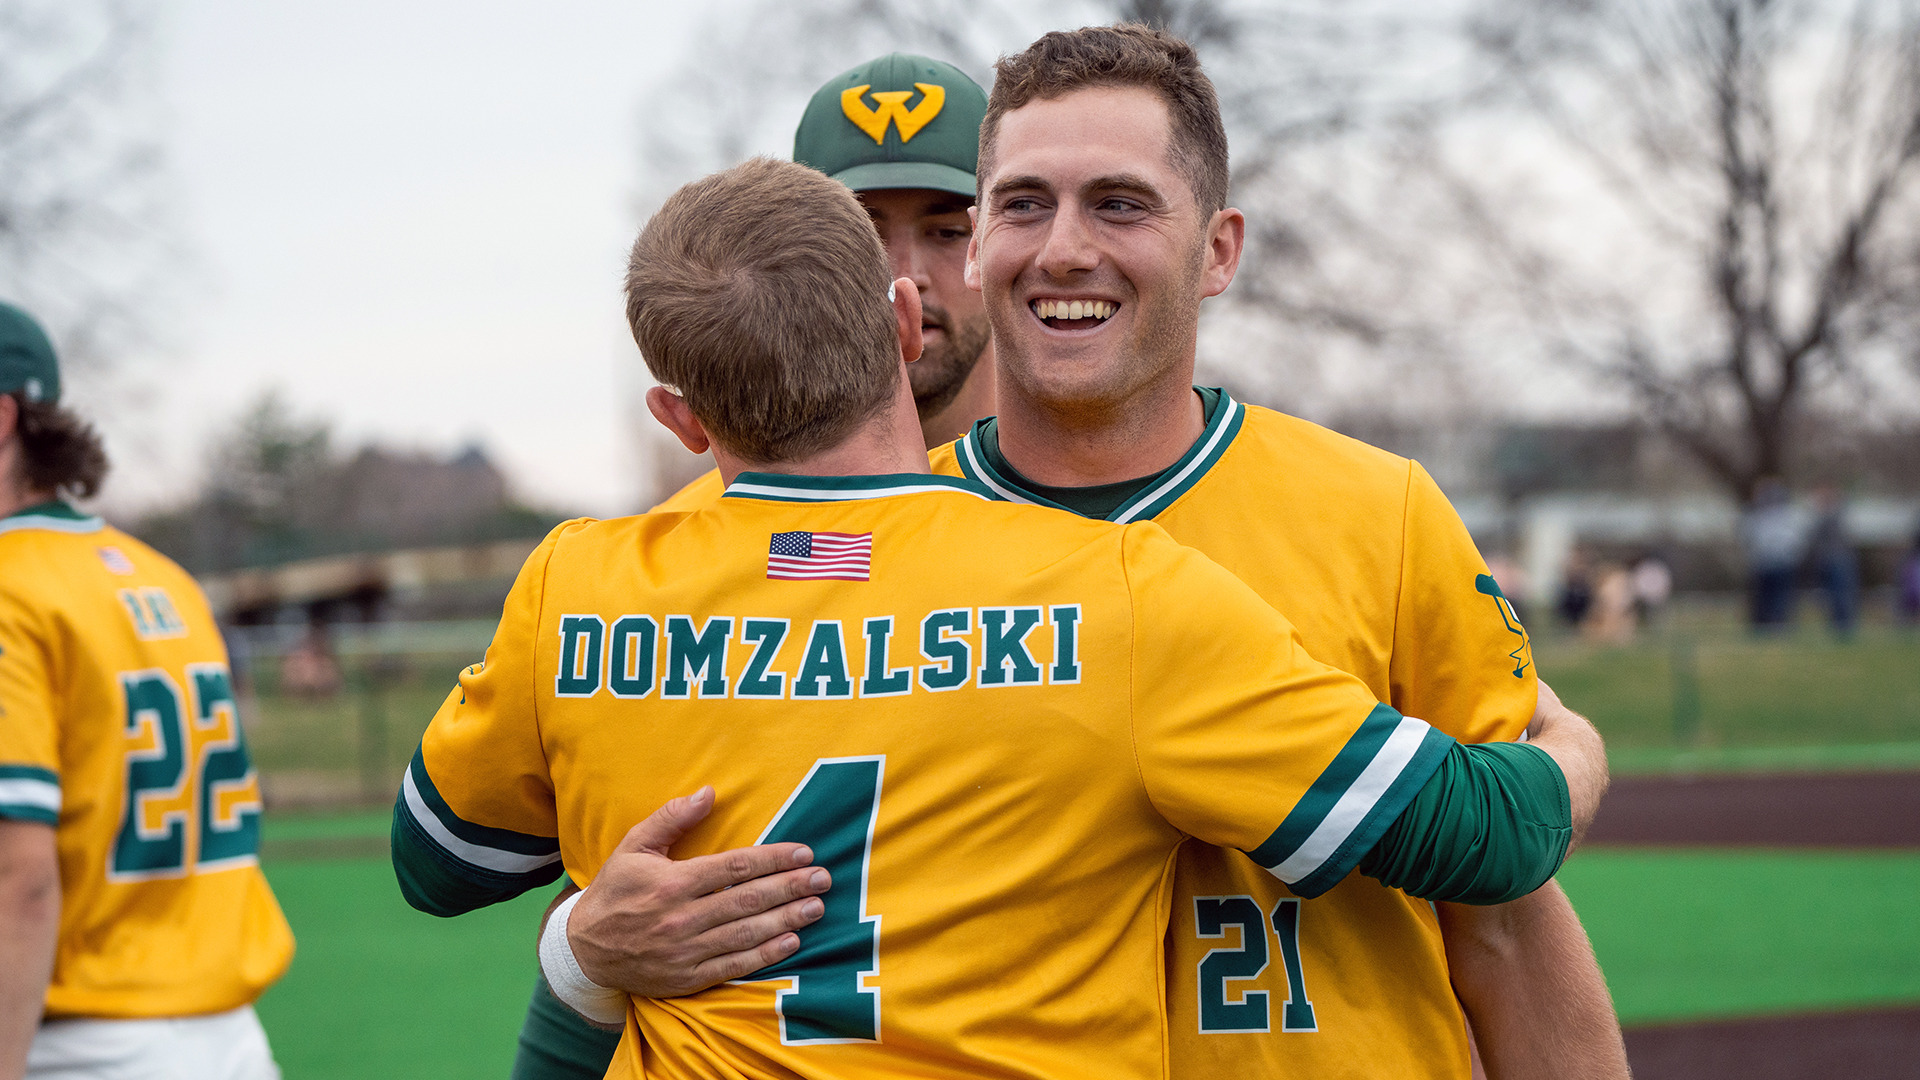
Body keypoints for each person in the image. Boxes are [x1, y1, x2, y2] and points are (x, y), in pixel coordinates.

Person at [392, 157, 1603, 1080]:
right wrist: (1569, 747)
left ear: (680, 417)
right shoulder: (1112, 586)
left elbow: (438, 861)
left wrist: (581, 947)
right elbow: (1490, 841)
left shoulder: (577, 589)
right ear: (905, 325)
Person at [507, 53, 1007, 1079]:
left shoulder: (1113, 537)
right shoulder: (663, 558)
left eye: (947, 229)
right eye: (864, 230)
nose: (907, 272)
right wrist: (580, 946)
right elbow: (593, 895)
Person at [0, 301, 293, 1079]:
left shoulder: (9, 589)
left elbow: (17, 877)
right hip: (231, 1041)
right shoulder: (164, 578)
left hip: (74, 1045)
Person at [1743, 477, 1802, 630]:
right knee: (1764, 597)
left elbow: (1794, 539)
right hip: (1764, 563)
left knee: (1780, 596)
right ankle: (1764, 626)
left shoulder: (1786, 515)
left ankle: (1778, 624)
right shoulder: (1757, 515)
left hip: (1781, 562)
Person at [1807, 484, 1860, 637]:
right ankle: (1837, 626)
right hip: (1826, 562)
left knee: (1841, 595)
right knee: (1831, 597)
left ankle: (1845, 627)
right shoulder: (1820, 517)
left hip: (1839, 561)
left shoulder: (1835, 515)